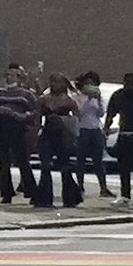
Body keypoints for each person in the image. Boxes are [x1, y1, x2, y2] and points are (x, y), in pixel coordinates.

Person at [0, 64, 38, 204]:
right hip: (1, 128)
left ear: (19, 77)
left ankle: (32, 191)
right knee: (4, 162)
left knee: (22, 161)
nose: (8, 77)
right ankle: (7, 192)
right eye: (7, 75)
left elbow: (34, 112)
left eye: (12, 75)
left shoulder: (26, 95)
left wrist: (18, 116)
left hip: (18, 129)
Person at [36, 75, 82, 208]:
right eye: (52, 82)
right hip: (47, 134)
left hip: (63, 135)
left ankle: (70, 197)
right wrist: (36, 132)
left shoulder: (69, 101)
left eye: (58, 82)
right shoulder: (43, 99)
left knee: (65, 166)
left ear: (64, 84)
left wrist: (73, 132)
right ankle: (44, 199)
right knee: (45, 165)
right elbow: (37, 117)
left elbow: (77, 118)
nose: (55, 84)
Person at [71, 73, 113, 205]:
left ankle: (103, 187)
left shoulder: (98, 97)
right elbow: (79, 112)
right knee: (81, 159)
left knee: (98, 160)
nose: (90, 86)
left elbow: (101, 113)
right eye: (87, 83)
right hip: (82, 129)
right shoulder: (77, 96)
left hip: (95, 128)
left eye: (93, 83)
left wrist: (98, 99)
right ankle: (80, 186)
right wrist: (88, 99)